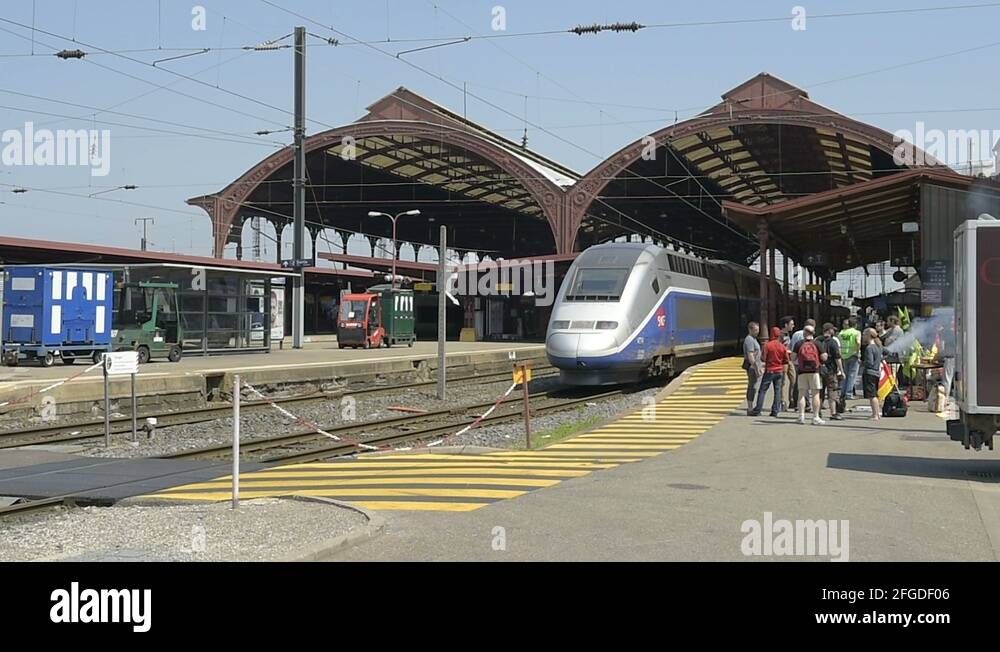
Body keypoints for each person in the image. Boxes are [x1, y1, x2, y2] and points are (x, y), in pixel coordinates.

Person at [751, 326, 790, 417]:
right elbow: (786, 360)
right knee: (778, 391)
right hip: (779, 371)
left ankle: (758, 410)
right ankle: (775, 411)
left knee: (762, 391)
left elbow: (763, 358)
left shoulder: (767, 345)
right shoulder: (782, 346)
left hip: (769, 370)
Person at [793, 324, 825, 425]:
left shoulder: (799, 344)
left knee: (802, 393)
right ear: (813, 333)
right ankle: (815, 417)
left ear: (804, 333)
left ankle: (801, 416)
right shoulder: (817, 343)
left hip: (802, 371)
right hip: (815, 371)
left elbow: (792, 358)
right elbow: (824, 357)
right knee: (815, 394)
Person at [817, 322, 846, 420]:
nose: (833, 331)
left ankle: (818, 412)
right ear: (829, 330)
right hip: (830, 370)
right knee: (832, 391)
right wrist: (841, 371)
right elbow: (837, 357)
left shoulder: (817, 340)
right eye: (832, 329)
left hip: (819, 369)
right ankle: (833, 413)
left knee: (819, 391)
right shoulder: (832, 342)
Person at [789, 318, 816, 412]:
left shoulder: (796, 334)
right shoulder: (813, 339)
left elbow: (792, 348)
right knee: (810, 386)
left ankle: (795, 403)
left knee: (798, 385)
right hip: (811, 365)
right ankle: (808, 404)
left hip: (797, 363)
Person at [837, 316, 862, 410]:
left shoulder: (841, 333)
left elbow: (839, 344)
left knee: (845, 374)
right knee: (852, 375)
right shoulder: (856, 332)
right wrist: (857, 352)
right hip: (853, 355)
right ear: (855, 325)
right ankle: (849, 393)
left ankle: (843, 391)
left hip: (843, 355)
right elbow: (858, 343)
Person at [862, 328, 884, 421]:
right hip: (877, 372)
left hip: (869, 372)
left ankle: (875, 414)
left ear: (868, 336)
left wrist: (863, 362)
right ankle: (877, 413)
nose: (863, 337)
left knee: (872, 395)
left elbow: (869, 362)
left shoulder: (869, 348)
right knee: (875, 394)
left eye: (864, 335)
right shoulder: (879, 347)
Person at [743, 321, 762, 416]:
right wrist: (756, 368)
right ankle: (750, 408)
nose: (757, 332)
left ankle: (751, 407)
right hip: (752, 367)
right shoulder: (749, 340)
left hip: (754, 366)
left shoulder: (753, 339)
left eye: (758, 330)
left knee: (753, 386)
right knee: (752, 387)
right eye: (755, 330)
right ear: (750, 329)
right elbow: (751, 356)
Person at [779, 316, 796, 413]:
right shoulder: (780, 335)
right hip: (783, 361)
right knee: (783, 382)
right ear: (786, 325)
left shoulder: (788, 334)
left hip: (789, 360)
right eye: (791, 324)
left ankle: (792, 399)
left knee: (793, 380)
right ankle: (782, 401)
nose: (793, 326)